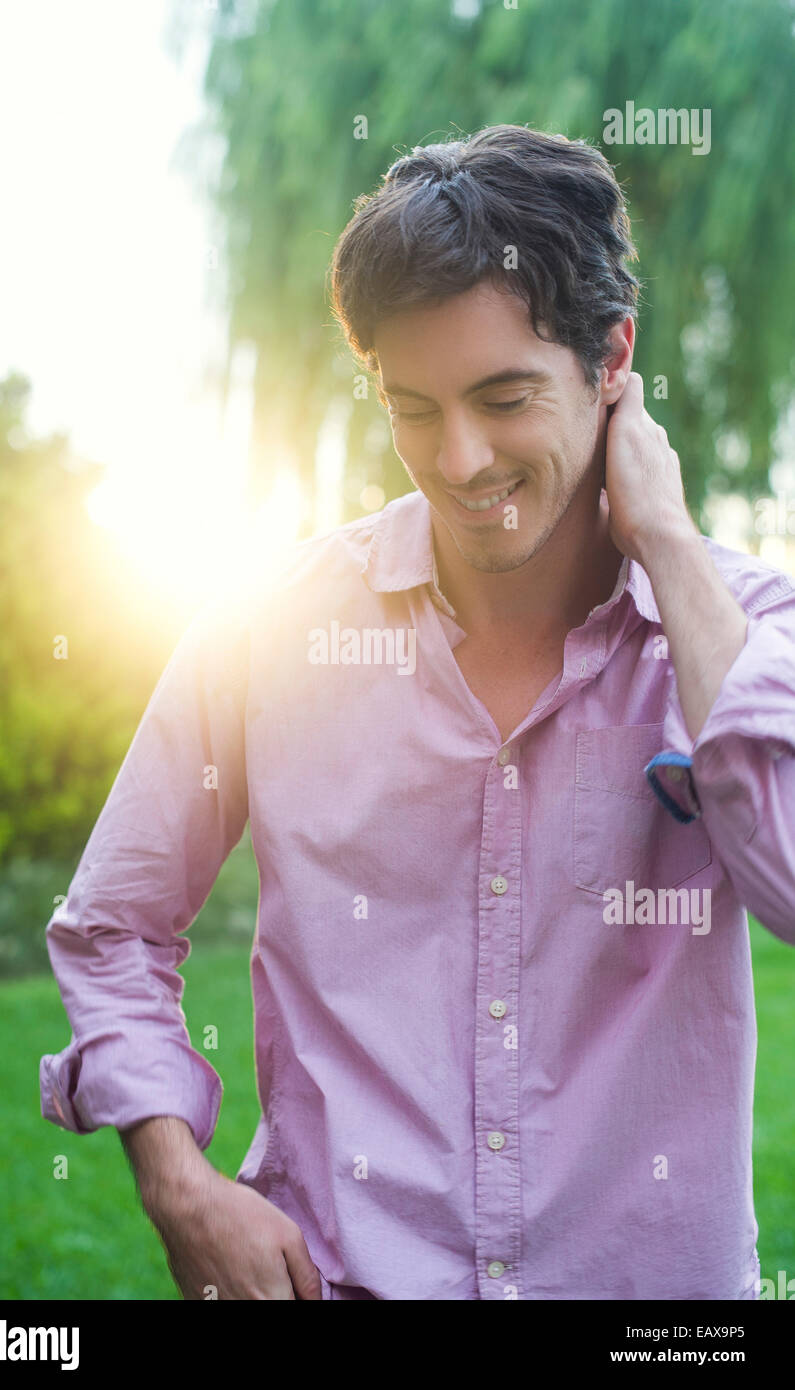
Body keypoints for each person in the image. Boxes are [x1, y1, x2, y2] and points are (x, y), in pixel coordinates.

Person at [40, 124, 795, 1300]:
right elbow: (114, 925)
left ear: (613, 361)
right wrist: (179, 1184)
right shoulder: (264, 627)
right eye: (413, 408)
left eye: (505, 398)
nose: (458, 460)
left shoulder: (742, 628)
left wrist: (673, 554)